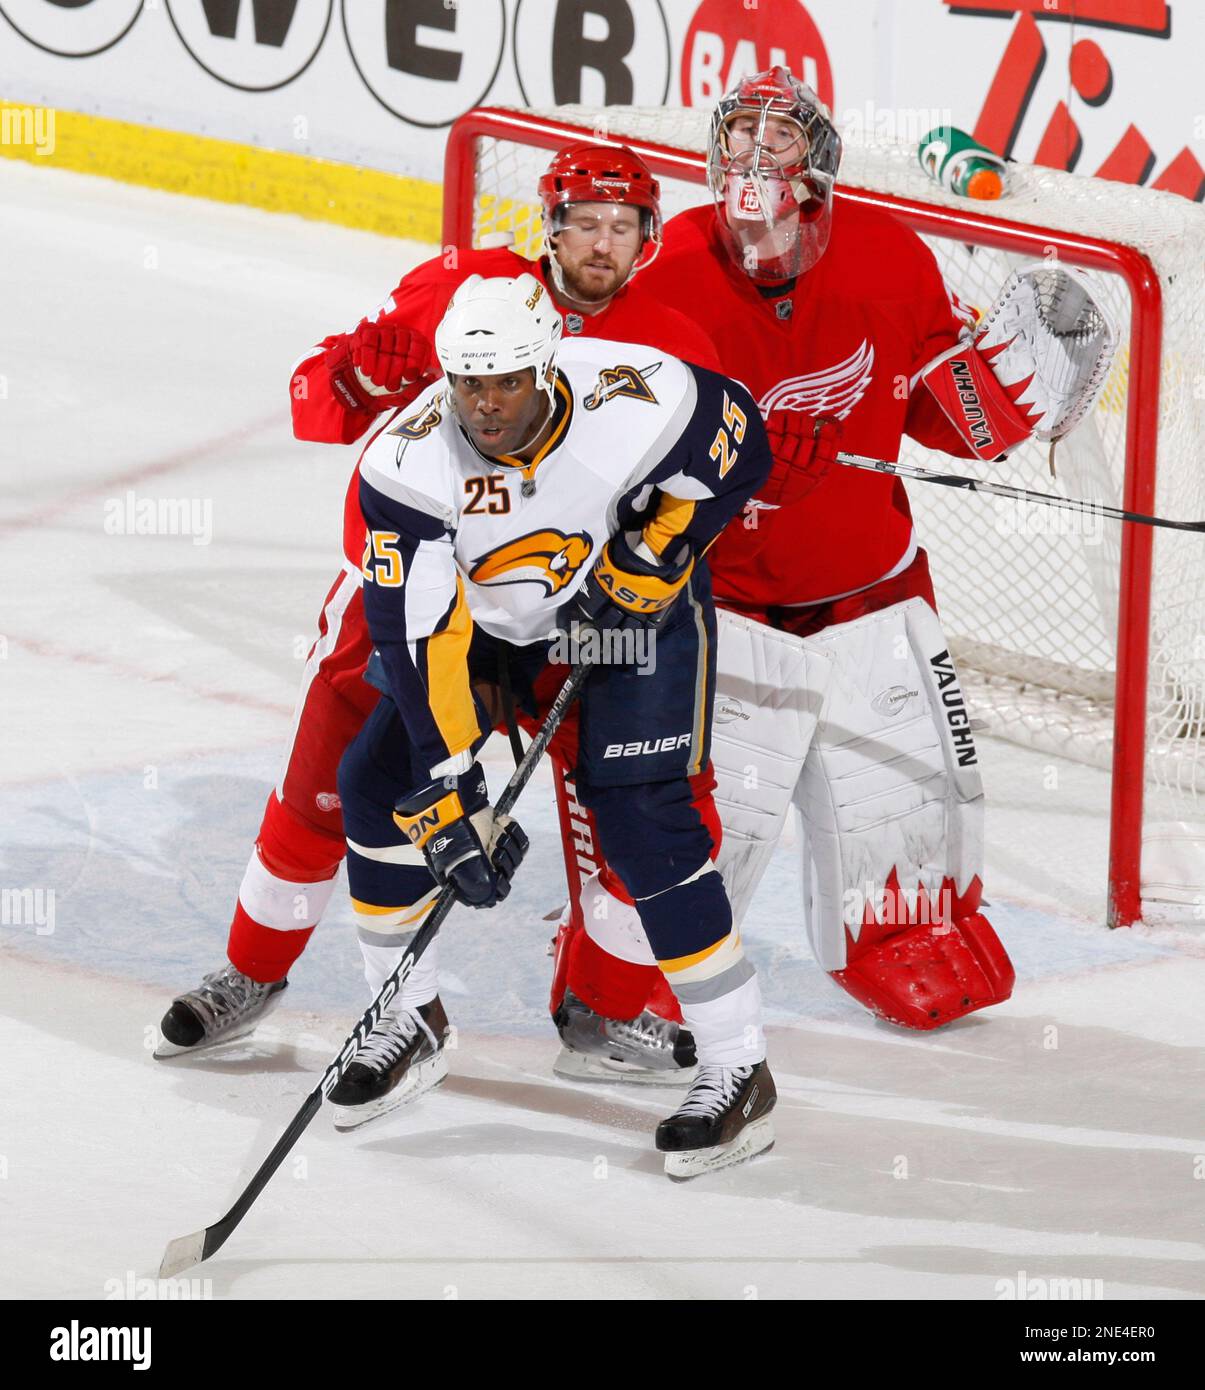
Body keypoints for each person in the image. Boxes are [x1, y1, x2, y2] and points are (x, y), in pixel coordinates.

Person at [560, 68, 1108, 1033]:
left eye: (782, 153)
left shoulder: (891, 259)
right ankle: (627, 983)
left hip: (871, 596)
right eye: (742, 144)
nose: (758, 178)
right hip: (715, 607)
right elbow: (594, 445)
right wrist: (735, 467)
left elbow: (943, 412)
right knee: (694, 832)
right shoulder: (664, 268)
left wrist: (1006, 395)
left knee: (909, 816)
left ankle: (901, 935)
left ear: (820, 177)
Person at [154, 145, 721, 1068]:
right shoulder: (467, 288)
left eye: (621, 228)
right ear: (551, 225)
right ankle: (252, 971)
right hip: (420, 591)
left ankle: (601, 1004)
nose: (601, 245)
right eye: (585, 224)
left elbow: (699, 493)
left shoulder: (675, 338)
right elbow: (314, 401)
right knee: (330, 783)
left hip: (583, 614)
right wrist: (359, 374)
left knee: (649, 805)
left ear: (647, 237)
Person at [328, 272, 777, 1177]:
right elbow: (418, 637)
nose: (484, 406)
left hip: (625, 620)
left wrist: (663, 548)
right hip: (491, 629)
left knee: (642, 819)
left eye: (505, 383)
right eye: (466, 383)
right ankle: (405, 1015)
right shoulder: (405, 465)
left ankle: (739, 1066)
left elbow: (741, 443)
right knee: (376, 790)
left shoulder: (636, 397)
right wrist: (451, 786)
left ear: (547, 366)